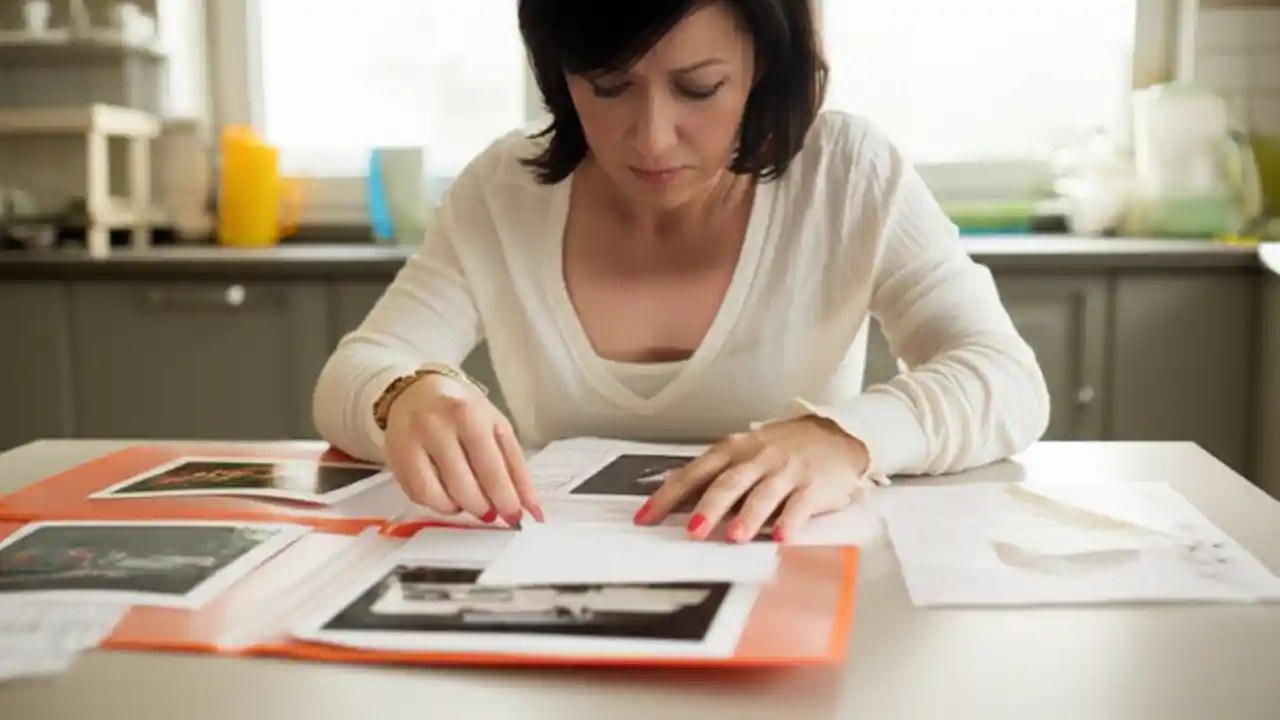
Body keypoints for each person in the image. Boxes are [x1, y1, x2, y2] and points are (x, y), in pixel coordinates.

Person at [313, 0, 1050, 544]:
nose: (651, 138)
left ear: (762, 64)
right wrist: (409, 395)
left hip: (790, 603)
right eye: (607, 88)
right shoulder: (502, 193)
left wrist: (845, 439)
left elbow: (1006, 378)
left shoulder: (848, 175)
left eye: (698, 88)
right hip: (552, 603)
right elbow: (357, 371)